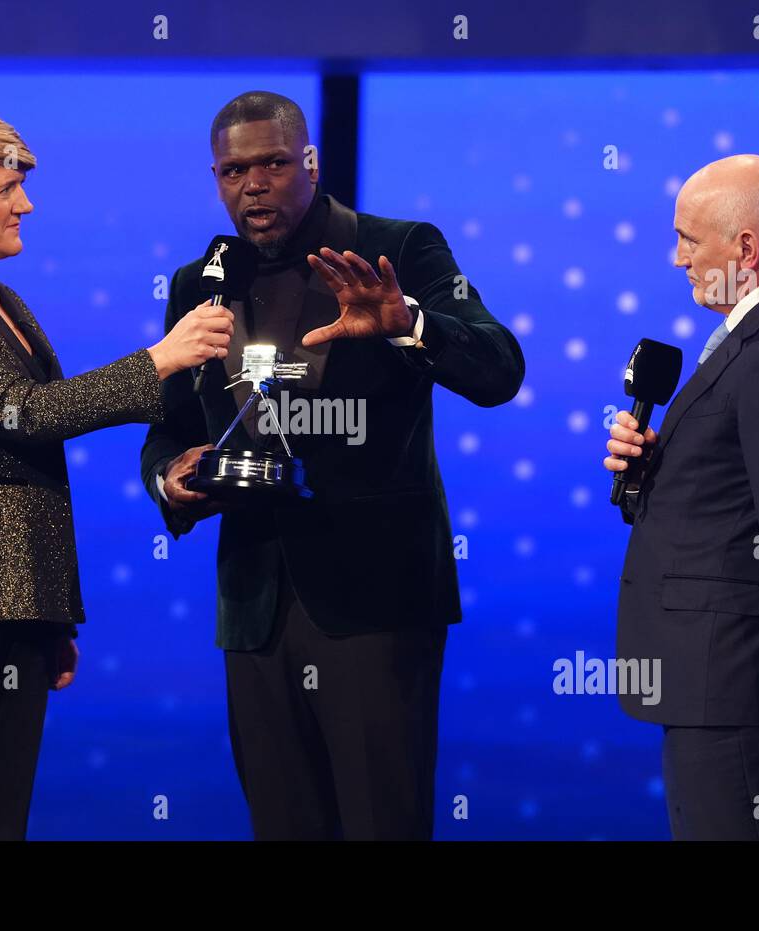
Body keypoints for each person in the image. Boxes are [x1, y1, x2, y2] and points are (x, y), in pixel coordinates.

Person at [141, 91, 524, 840]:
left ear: (310, 163)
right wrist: (169, 475)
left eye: (274, 163)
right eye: (233, 170)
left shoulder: (399, 247)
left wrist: (410, 322)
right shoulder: (197, 283)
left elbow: (500, 368)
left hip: (376, 601)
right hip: (254, 605)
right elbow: (169, 429)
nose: (253, 184)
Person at [0, 103, 231, 840]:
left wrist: (46, 611)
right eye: (5, 190)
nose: (27, 203)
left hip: (6, 606)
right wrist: (160, 359)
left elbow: (18, 461)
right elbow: (20, 411)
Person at [603, 154, 759, 840]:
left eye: (688, 239)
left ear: (745, 248)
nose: (676, 257)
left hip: (735, 685)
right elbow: (748, 500)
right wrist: (658, 466)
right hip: (722, 679)